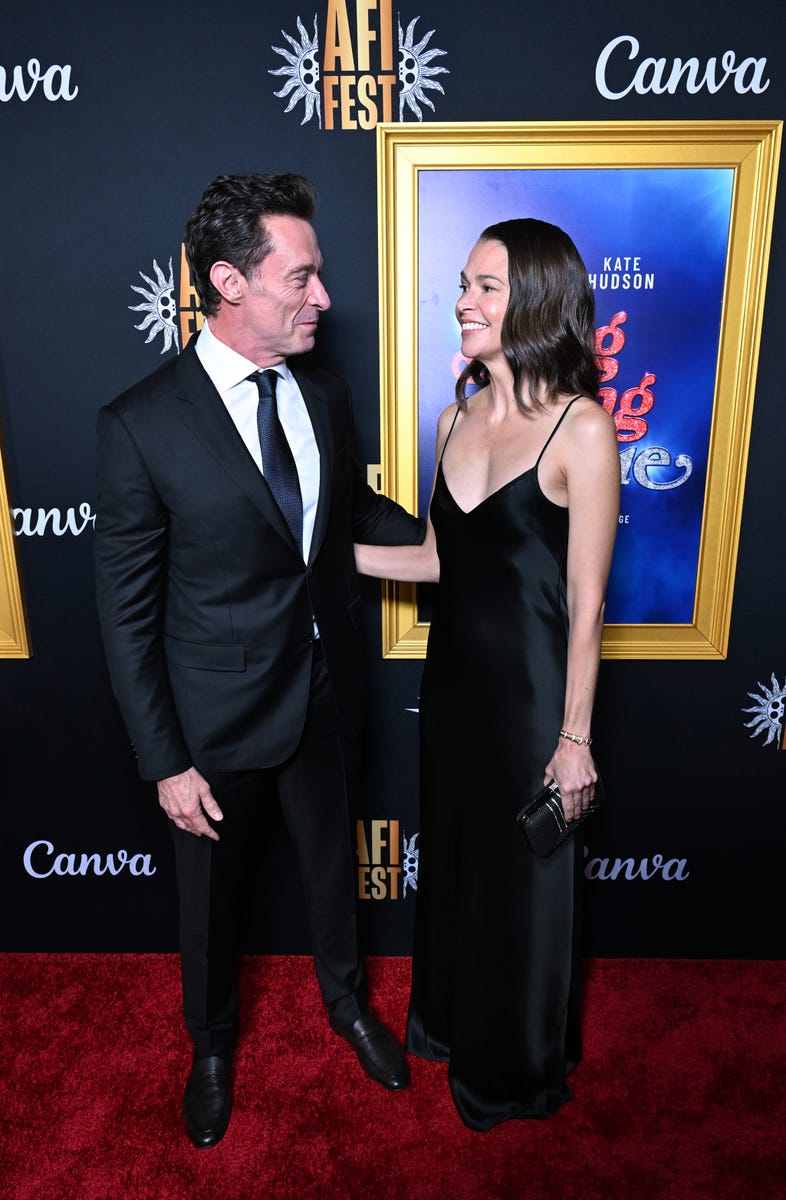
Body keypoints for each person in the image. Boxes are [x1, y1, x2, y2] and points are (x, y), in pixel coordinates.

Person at [94, 172, 424, 1148]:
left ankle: (348, 1005)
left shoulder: (323, 392)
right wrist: (166, 760)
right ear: (230, 283)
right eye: (302, 278)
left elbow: (348, 516)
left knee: (333, 875)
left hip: (326, 695)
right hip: (214, 721)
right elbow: (125, 613)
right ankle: (210, 1048)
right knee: (210, 906)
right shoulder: (140, 423)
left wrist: (464, 541)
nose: (324, 297)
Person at [355, 218, 620, 1130]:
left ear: (535, 301)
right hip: (453, 693)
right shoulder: (454, 418)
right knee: (459, 864)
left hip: (534, 702)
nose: (463, 302)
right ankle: (450, 1023)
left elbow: (587, 602)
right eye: (465, 284)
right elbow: (440, 558)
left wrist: (574, 738)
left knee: (525, 883)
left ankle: (517, 1066)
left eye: (485, 287)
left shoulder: (582, 429)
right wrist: (323, 555)